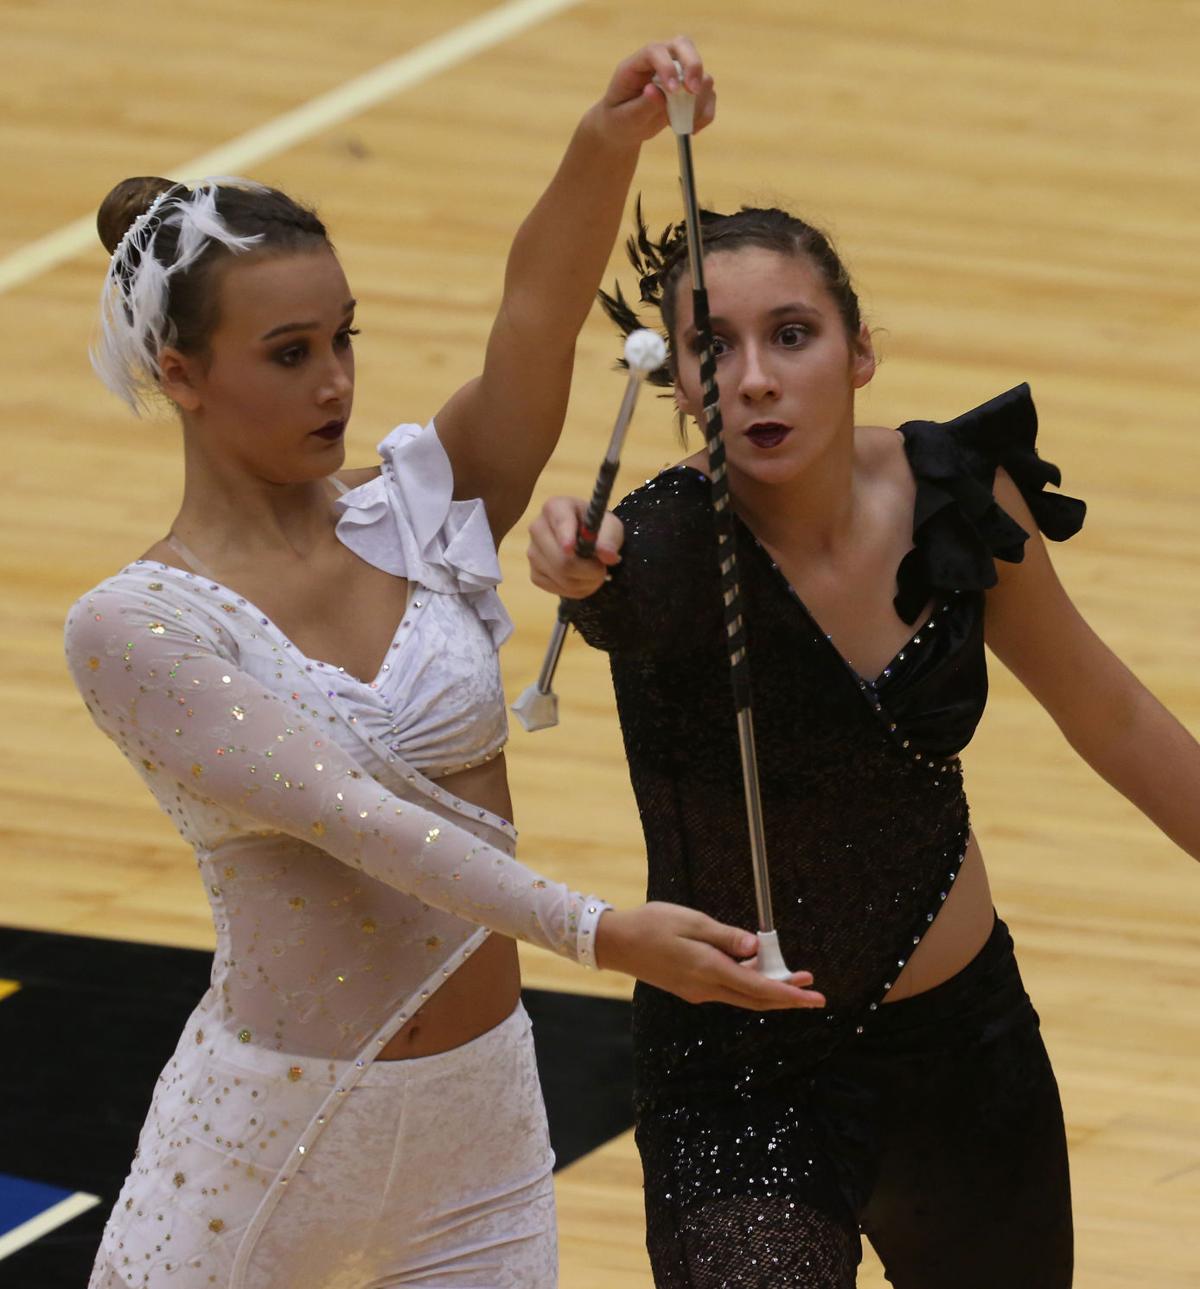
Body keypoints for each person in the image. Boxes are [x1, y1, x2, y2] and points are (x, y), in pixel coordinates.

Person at [65, 49, 828, 1289]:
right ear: (182, 373)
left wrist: (608, 141)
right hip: (265, 1150)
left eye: (344, 338)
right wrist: (600, 930)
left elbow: (533, 320)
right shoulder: (137, 627)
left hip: (481, 1135)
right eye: (289, 352)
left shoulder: (420, 510)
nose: (337, 381)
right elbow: (362, 819)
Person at [527, 204, 1200, 1288]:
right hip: (738, 1082)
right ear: (681, 388)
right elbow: (576, 558)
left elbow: (1109, 712)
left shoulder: (957, 499)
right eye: (712, 348)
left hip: (965, 1056)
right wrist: (560, 551)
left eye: (791, 334)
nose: (752, 377)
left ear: (861, 350)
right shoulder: (651, 554)